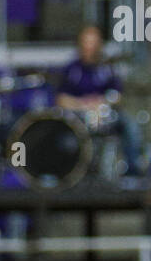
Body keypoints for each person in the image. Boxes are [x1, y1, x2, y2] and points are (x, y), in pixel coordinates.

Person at [56, 24, 142, 176]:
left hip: (105, 116)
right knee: (61, 135)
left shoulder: (106, 68)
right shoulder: (72, 69)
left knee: (131, 125)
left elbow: (117, 96)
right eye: (86, 42)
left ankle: (132, 173)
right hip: (78, 118)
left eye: (93, 42)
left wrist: (101, 102)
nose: (90, 47)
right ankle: (65, 173)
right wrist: (82, 104)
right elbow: (61, 99)